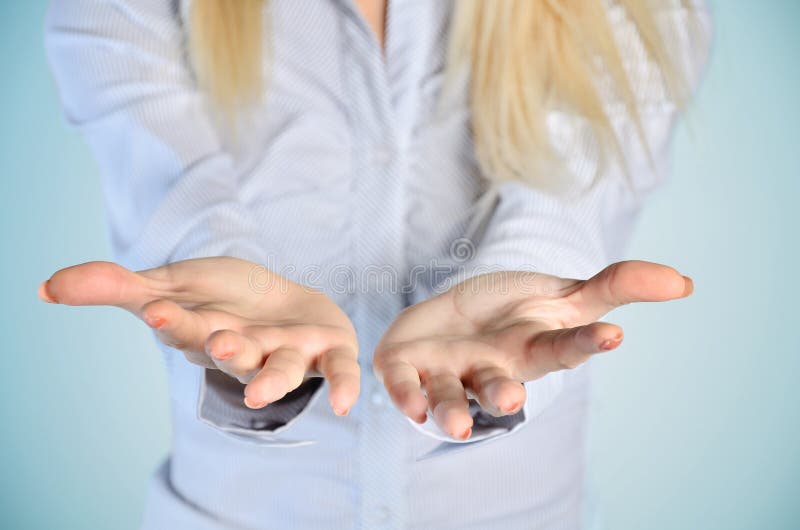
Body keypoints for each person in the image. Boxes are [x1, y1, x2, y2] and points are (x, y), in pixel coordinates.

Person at [41, 0, 711, 528]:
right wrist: (222, 288)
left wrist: (517, 295)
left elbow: (569, 204)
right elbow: (172, 183)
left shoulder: (637, 9)